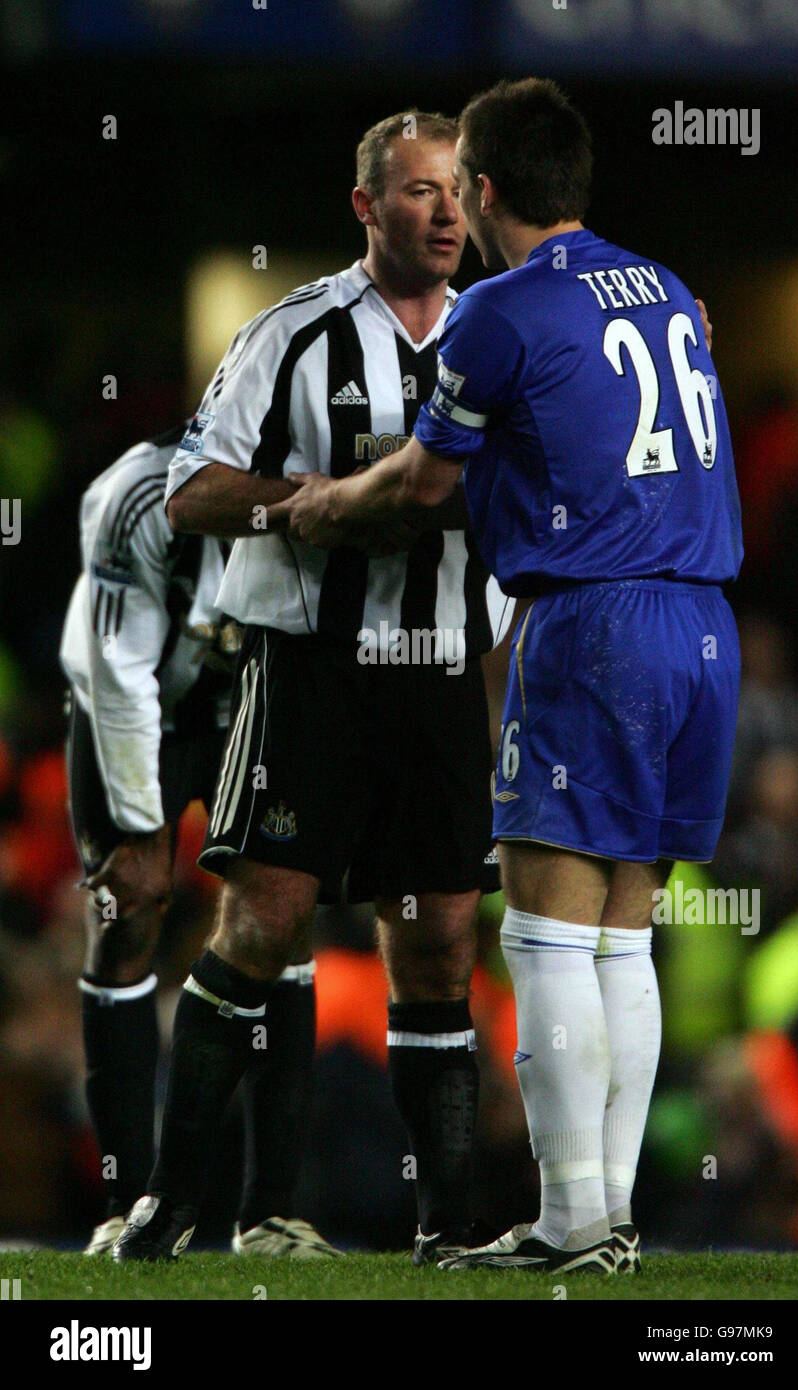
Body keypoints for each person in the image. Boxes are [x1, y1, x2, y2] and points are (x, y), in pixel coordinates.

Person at [277, 77, 742, 1276]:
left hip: (592, 624)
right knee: (623, 941)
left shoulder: (496, 310)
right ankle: (611, 1219)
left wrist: (325, 501)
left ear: (483, 190)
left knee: (543, 933)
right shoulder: (672, 293)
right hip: (702, 626)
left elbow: (422, 485)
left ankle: (567, 1219)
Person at [113, 112, 514, 1264]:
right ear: (365, 208)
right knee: (264, 922)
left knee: (440, 941)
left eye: (456, 192)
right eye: (418, 192)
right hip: (310, 674)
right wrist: (307, 505)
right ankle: (176, 1199)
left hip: (441, 678)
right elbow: (187, 493)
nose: (444, 213)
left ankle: (447, 1226)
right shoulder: (291, 333)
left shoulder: (506, 334)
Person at [61, 427, 336, 1259]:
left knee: (282, 916)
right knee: (130, 908)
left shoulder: (315, 492)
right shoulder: (137, 496)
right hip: (131, 706)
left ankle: (270, 1216)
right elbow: (117, 667)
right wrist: (144, 828)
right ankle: (124, 1204)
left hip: (244, 713)